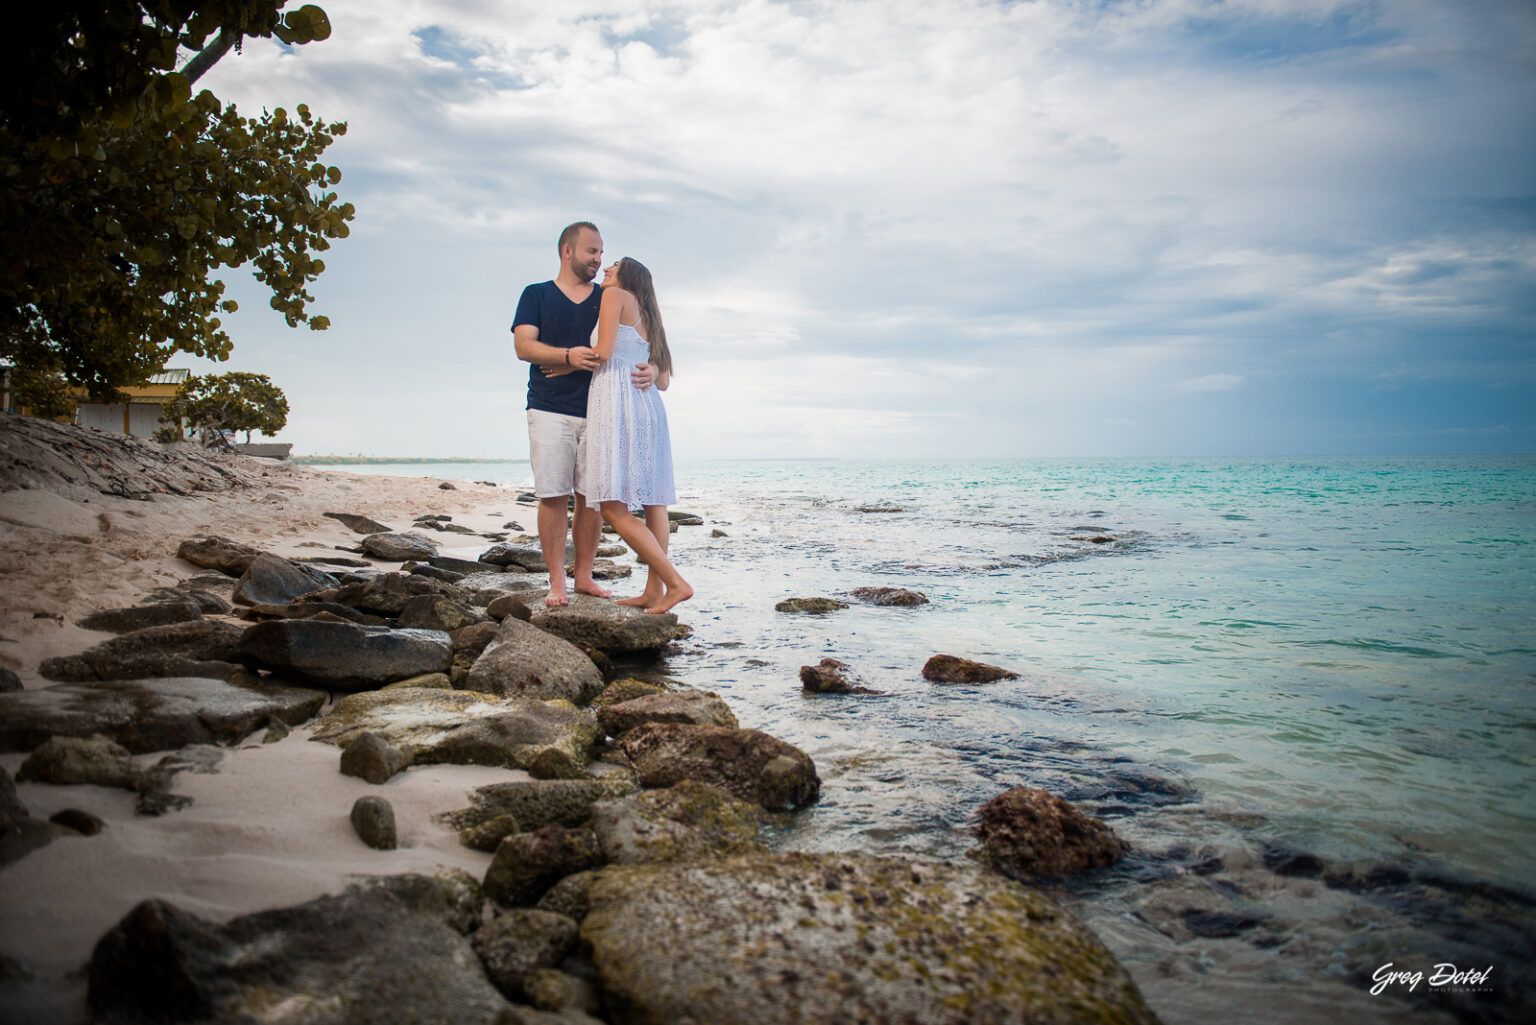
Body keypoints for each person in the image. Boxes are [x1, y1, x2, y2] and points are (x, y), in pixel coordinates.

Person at [512, 222, 657, 607]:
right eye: (592, 251)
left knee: (592, 499)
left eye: (601, 253)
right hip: (548, 407)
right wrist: (567, 356)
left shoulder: (608, 295)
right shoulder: (536, 294)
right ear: (567, 251)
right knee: (553, 496)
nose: (599, 259)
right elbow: (524, 346)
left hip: (602, 412)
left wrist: (656, 369)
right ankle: (557, 583)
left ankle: (585, 576)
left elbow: (641, 340)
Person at [584, 257, 692, 614]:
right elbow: (663, 381)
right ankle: (653, 591)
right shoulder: (649, 315)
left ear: (628, 275)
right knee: (654, 503)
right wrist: (654, 365)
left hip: (620, 404)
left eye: (614, 265)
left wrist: (561, 360)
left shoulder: (614, 296)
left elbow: (602, 352)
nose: (606, 269)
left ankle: (675, 583)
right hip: (648, 409)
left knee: (612, 506)